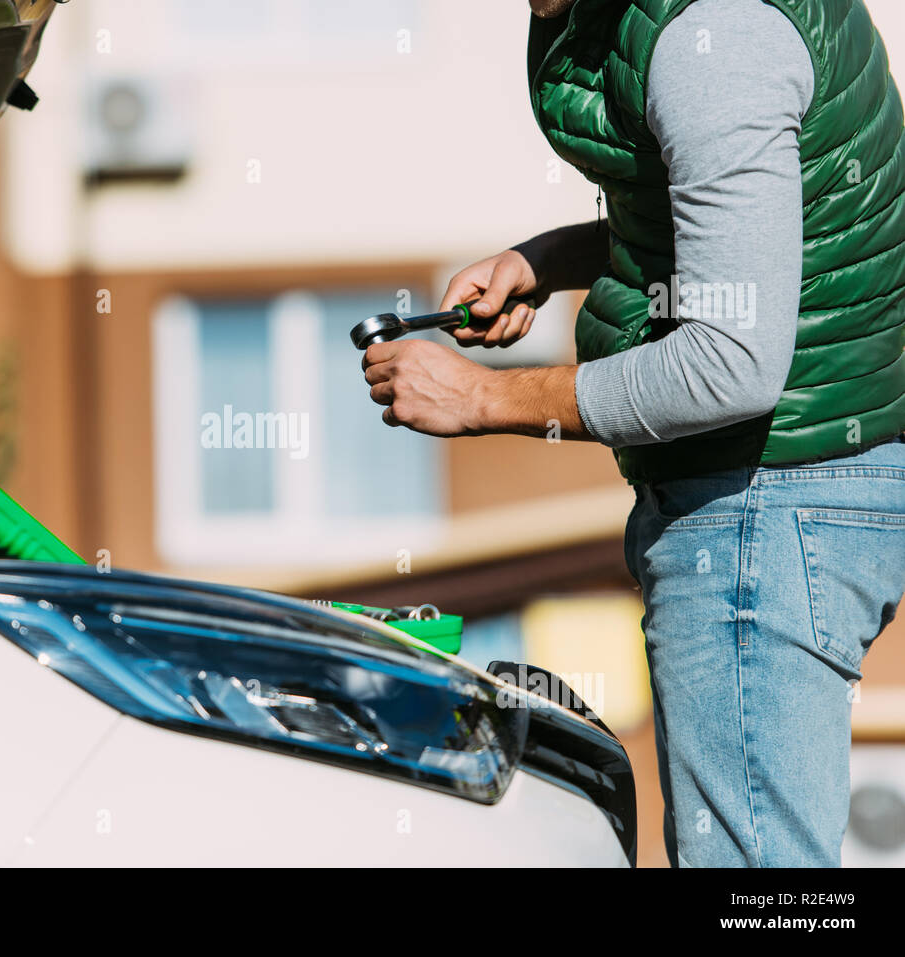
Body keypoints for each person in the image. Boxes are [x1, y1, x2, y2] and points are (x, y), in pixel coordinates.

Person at [363, 0, 905, 866]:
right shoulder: (650, 24)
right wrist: (548, 261)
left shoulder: (715, 37)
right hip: (783, 494)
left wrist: (483, 399)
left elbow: (730, 359)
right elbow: (734, 223)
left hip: (765, 503)